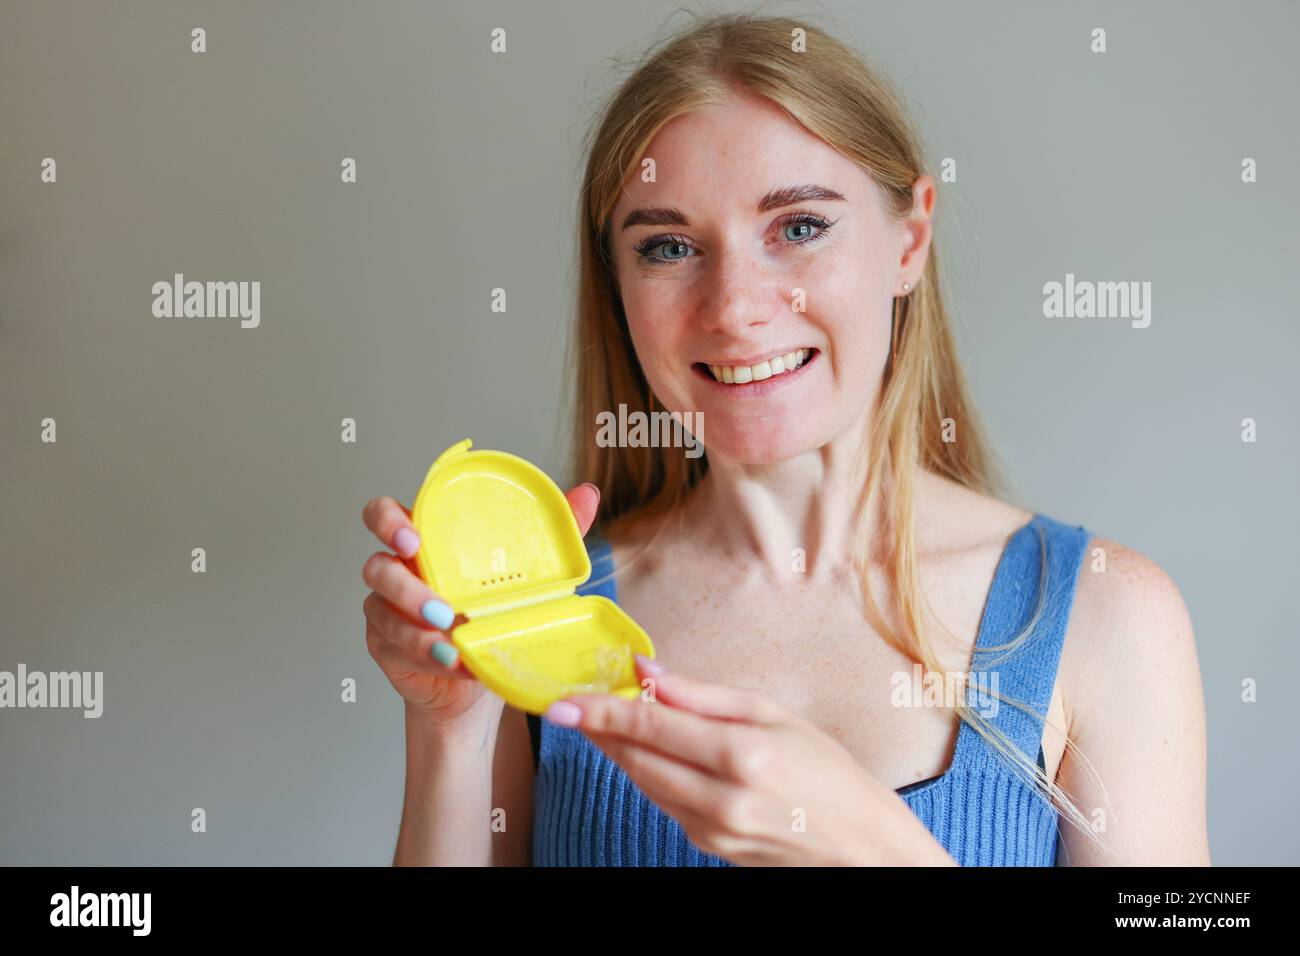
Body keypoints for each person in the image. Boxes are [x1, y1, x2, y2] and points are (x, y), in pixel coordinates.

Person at [361, 13, 1209, 866]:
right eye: (667, 245)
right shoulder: (540, 623)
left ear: (910, 239)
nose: (733, 307)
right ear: (616, 283)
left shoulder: (1106, 616)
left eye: (798, 226)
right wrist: (451, 736)